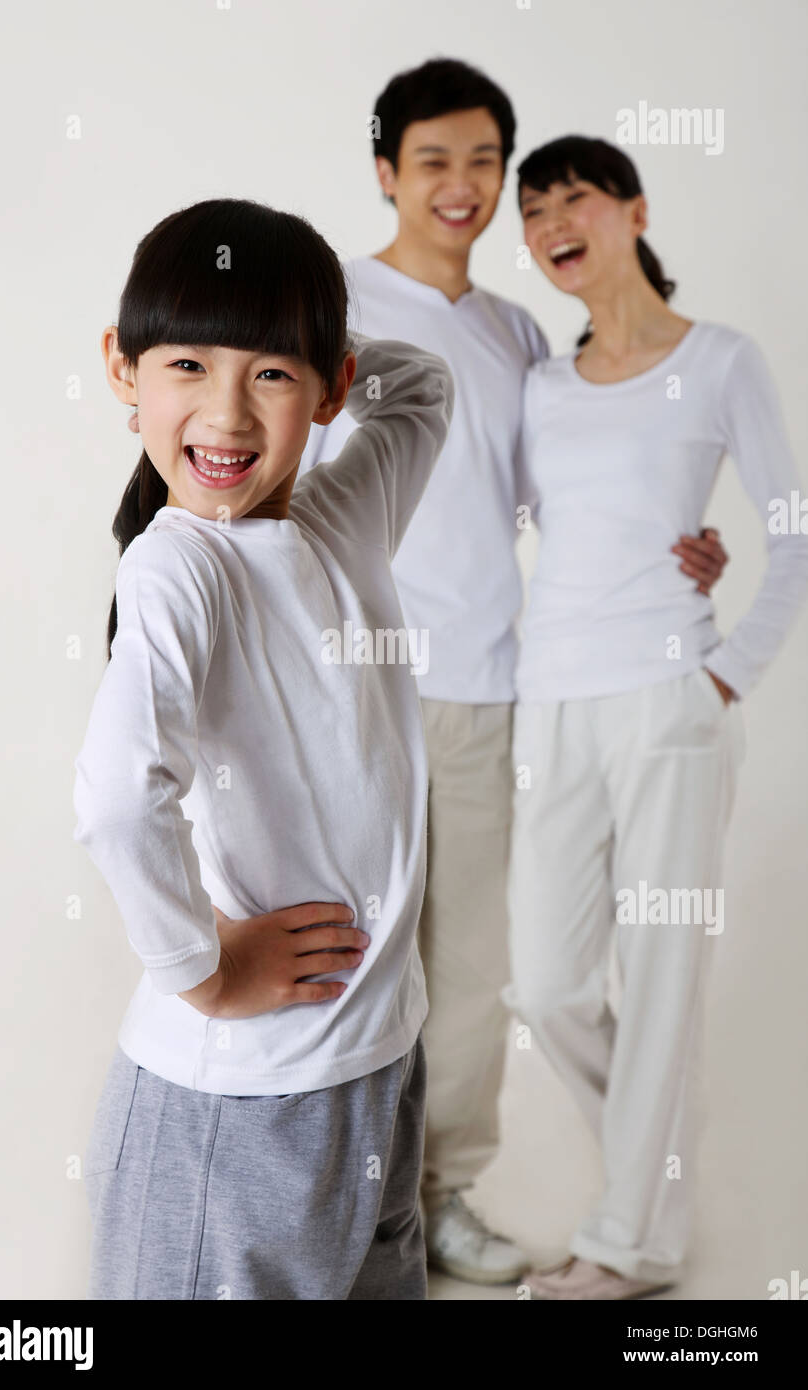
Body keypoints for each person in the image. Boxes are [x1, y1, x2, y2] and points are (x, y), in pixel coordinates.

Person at [297, 58, 727, 1285]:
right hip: (350, 686)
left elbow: (572, 499)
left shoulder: (516, 334)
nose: (463, 185)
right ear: (386, 171)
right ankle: (332, 1201)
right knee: (344, 953)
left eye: (484, 161)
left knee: (475, 976)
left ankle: (439, 1197)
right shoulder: (335, 305)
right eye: (432, 159)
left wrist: (685, 545)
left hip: (487, 691)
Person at [72, 197, 455, 1300]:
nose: (226, 413)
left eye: (271, 376)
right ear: (122, 368)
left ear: (332, 386)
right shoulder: (177, 566)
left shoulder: (344, 518)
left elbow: (423, 385)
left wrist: (319, 340)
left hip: (377, 1063)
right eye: (185, 365)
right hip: (237, 1101)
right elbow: (112, 795)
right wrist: (204, 967)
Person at [502, 135, 808, 1299]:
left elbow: (793, 527)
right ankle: (655, 1188)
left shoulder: (719, 360)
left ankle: (628, 1242)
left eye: (570, 198)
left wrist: (724, 671)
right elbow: (523, 525)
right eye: (531, 211)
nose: (548, 222)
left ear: (632, 211)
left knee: (661, 973)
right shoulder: (537, 384)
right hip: (551, 702)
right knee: (545, 984)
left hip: (670, 700)